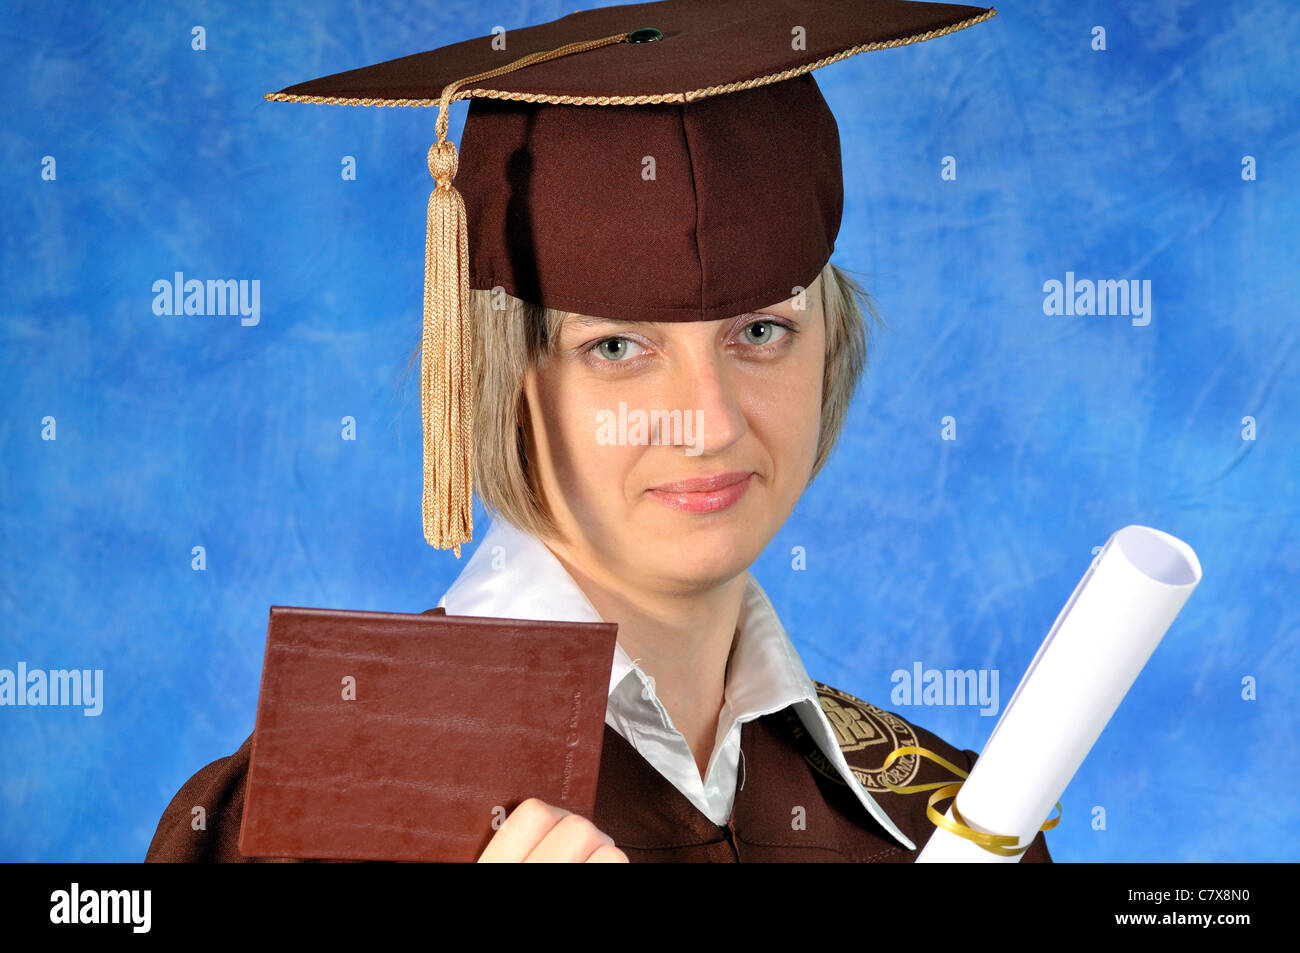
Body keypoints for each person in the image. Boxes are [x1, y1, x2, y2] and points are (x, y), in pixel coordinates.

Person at [146, 0, 1053, 863]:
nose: (709, 422)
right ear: (500, 377)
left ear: (831, 346)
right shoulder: (313, 808)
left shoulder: (933, 818)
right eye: (616, 346)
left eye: (762, 331)